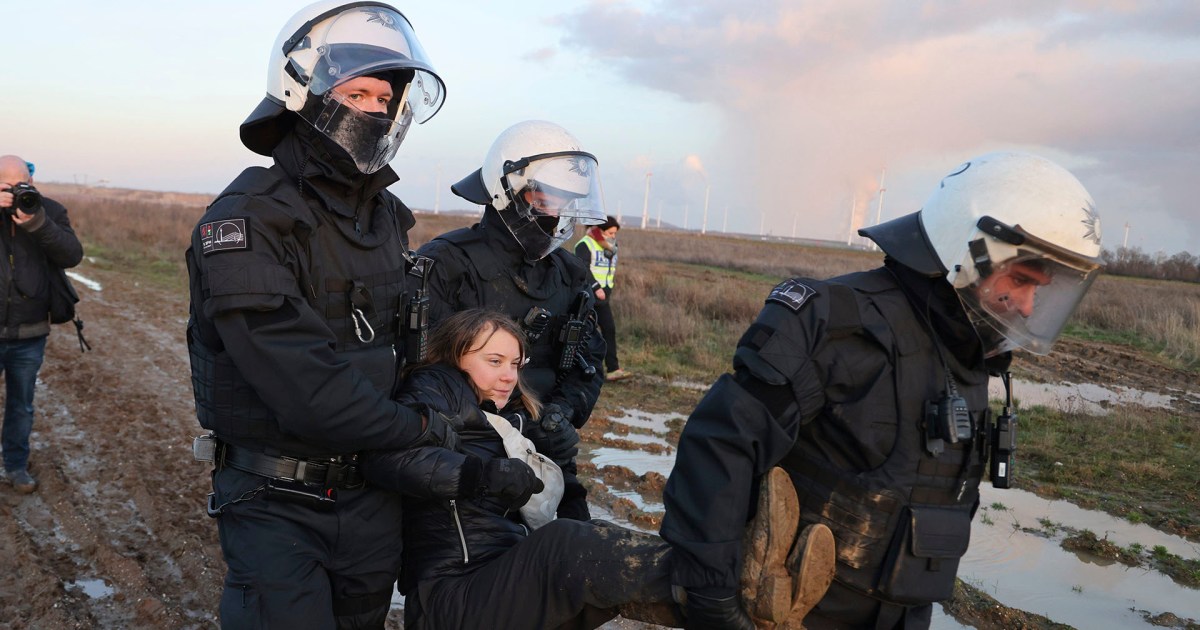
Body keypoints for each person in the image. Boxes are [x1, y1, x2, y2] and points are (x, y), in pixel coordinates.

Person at [660, 152, 1105, 629]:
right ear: (967, 251)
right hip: (793, 611)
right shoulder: (837, 321)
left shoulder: (972, 357)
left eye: (1039, 290)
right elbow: (721, 446)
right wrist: (712, 600)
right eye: (1018, 280)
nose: (1025, 304)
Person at [184, 3, 456, 627]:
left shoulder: (386, 218)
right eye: (357, 91)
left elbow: (409, 345)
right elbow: (303, 384)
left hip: (373, 497)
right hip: (276, 500)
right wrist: (419, 431)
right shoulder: (248, 217)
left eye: (386, 98)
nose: (376, 110)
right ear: (300, 91)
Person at [363, 308, 687, 629]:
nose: (509, 376)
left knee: (598, 543)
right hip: (452, 596)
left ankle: (715, 601)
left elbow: (571, 514)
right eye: (495, 361)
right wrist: (481, 475)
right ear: (455, 355)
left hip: (503, 581)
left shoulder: (514, 417)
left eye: (515, 365)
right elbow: (389, 459)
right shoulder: (436, 387)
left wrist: (559, 461)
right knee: (564, 545)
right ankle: (706, 579)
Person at [416, 120, 608, 521]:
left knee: (572, 564)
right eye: (546, 198)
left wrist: (560, 416)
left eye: (566, 201)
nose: (556, 213)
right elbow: (421, 372)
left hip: (547, 458)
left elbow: (588, 364)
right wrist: (505, 426)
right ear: (508, 192)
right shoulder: (448, 262)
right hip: (467, 463)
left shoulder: (571, 274)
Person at [0, 155, 84, 494]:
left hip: (30, 331)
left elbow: (72, 255)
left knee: (21, 406)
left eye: (24, 184)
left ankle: (15, 466)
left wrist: (37, 223)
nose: (19, 191)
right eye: (8, 187)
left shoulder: (48, 209)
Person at [575, 215, 630, 381]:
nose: (613, 236)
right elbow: (582, 269)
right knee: (583, 333)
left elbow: (608, 269)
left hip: (604, 297)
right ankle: (576, 368)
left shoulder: (612, 247)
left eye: (615, 233)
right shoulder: (585, 244)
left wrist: (607, 288)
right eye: (611, 233)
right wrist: (596, 287)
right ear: (600, 231)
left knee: (609, 329)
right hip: (588, 296)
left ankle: (613, 369)